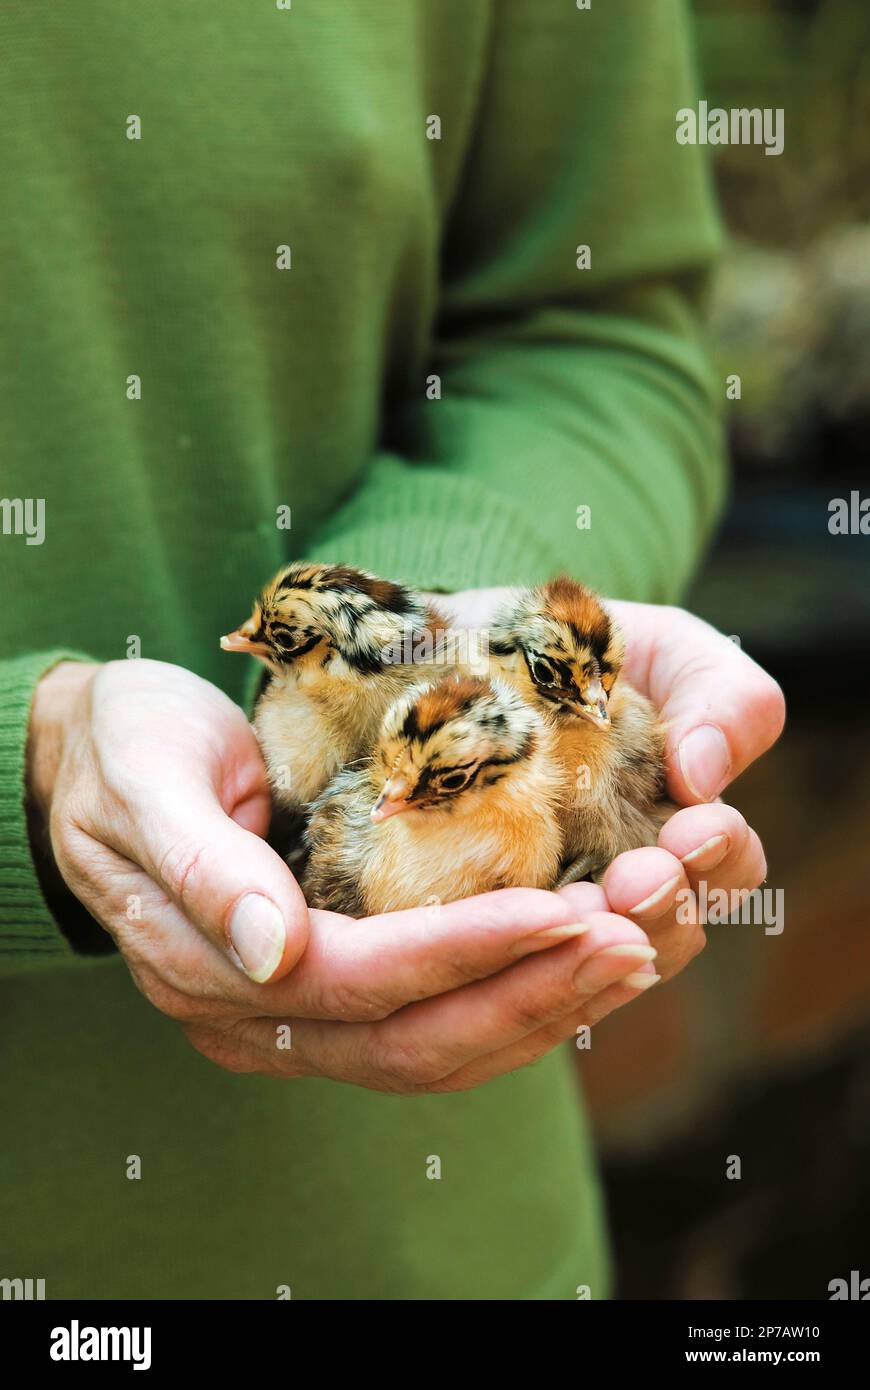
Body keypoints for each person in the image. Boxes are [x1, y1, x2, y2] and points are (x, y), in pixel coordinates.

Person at [0, 1, 783, 1299]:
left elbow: (588, 323)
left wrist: (450, 592)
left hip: (418, 1244)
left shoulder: (488, 755)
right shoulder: (382, 800)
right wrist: (28, 765)